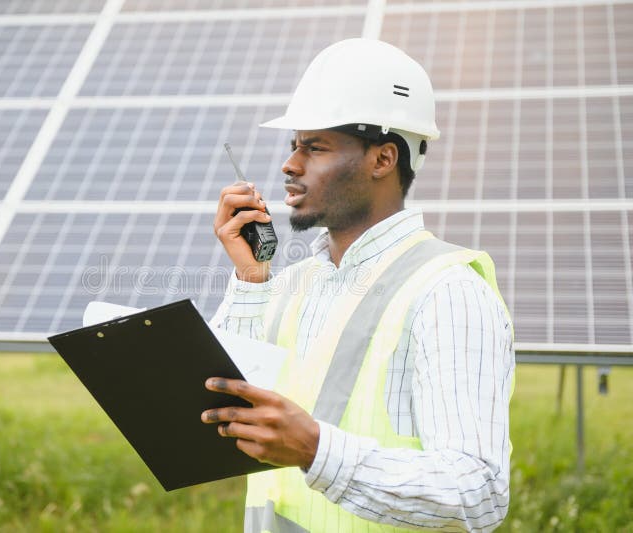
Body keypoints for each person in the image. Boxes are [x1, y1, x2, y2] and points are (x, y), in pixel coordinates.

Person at [201, 39, 515, 532]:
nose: (290, 164)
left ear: (383, 159)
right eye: (293, 145)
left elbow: (478, 491)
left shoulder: (447, 293)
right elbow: (220, 406)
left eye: (315, 147)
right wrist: (250, 278)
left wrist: (316, 450)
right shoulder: (292, 283)